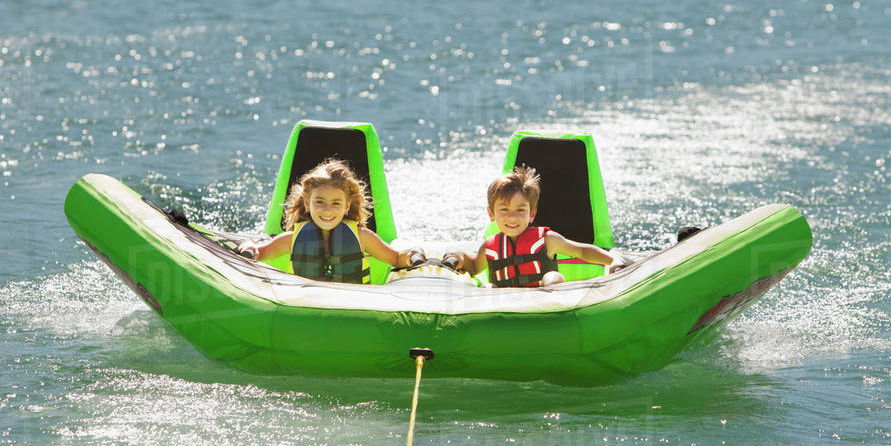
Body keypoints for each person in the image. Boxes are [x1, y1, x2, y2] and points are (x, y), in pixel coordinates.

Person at [239, 159, 422, 282]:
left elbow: (396, 259)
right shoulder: (292, 239)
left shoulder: (362, 238)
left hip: (356, 308)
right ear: (307, 203)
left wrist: (413, 256)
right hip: (306, 307)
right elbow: (260, 253)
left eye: (336, 203)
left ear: (347, 206)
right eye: (319, 202)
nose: (327, 210)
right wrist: (248, 246)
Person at [444, 165, 622, 287]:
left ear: (531, 214)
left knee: (553, 277)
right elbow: (475, 267)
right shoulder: (490, 247)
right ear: (491, 214)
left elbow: (582, 251)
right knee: (488, 287)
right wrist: (459, 257)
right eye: (504, 209)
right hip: (502, 304)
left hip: (545, 300)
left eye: (520, 210)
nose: (512, 216)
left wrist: (613, 261)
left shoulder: (547, 240)